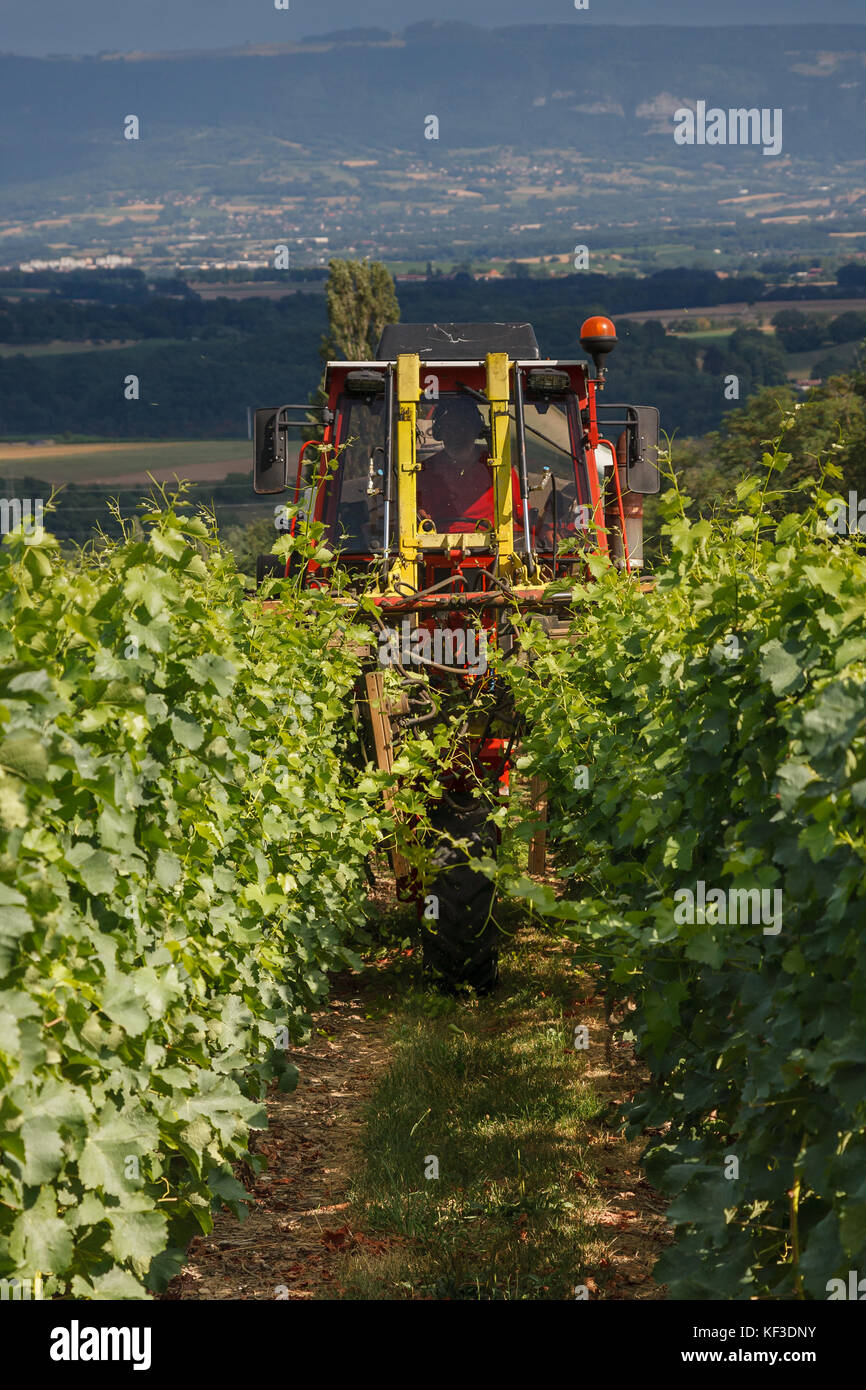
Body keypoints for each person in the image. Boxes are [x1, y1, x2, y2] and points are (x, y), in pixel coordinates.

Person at [417, 397, 519, 531]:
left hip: (493, 547)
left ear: (477, 430)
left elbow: (522, 514)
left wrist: (548, 527)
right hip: (436, 547)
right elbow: (414, 513)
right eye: (449, 428)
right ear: (438, 432)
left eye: (463, 428)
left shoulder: (500, 468)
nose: (456, 436)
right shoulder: (425, 470)